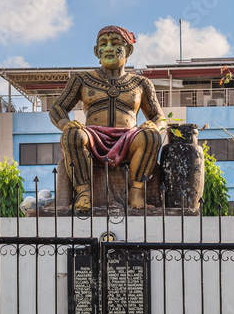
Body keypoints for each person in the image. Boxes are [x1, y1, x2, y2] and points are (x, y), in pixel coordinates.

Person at [49, 26, 165, 211]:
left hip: (128, 139)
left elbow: (159, 116)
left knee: (151, 137)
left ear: (128, 50)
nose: (109, 48)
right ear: (97, 51)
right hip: (93, 137)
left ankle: (136, 191)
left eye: (116, 43)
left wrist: (155, 125)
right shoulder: (82, 79)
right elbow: (57, 108)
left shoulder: (141, 84)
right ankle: (84, 192)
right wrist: (66, 124)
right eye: (104, 44)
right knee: (72, 135)